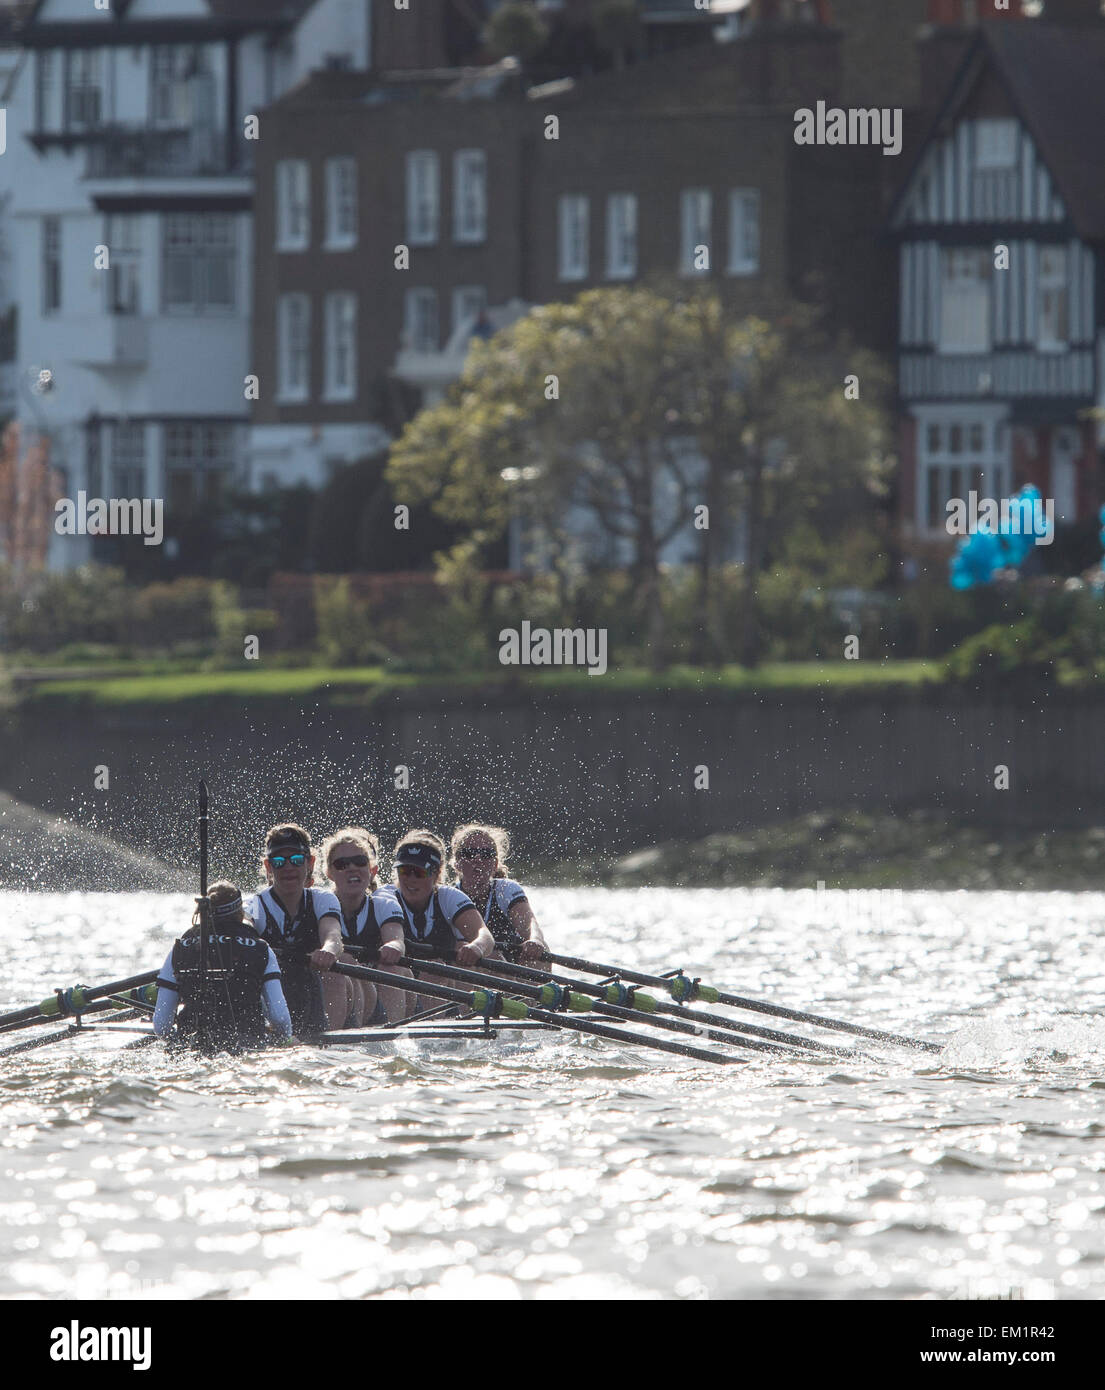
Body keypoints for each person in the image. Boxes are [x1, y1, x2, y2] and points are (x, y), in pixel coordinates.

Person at [153, 881, 293, 1050]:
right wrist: (284, 1040)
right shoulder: (261, 948)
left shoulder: (180, 947)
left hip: (190, 1048)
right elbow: (279, 1018)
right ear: (240, 912)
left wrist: (175, 1040)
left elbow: (161, 1026)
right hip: (248, 1049)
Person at [376, 830, 495, 1011]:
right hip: (399, 984)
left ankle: (448, 1030)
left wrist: (476, 947)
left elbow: (484, 936)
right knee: (421, 968)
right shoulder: (385, 897)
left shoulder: (448, 897)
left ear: (437, 873)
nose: (411, 879)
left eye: (420, 872)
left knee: (442, 967)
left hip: (442, 987)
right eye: (405, 871)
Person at [244, 823, 343, 1038]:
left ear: (310, 863)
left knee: (334, 974)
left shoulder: (322, 899)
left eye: (296, 860)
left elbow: (333, 935)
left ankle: (329, 1040)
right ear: (268, 867)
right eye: (279, 862)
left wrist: (328, 951)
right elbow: (245, 928)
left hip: (314, 993)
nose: (288, 867)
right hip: (274, 993)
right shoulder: (254, 905)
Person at [319, 827, 410, 1028]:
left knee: (394, 969)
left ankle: (390, 1039)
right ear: (329, 873)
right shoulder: (319, 903)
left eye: (360, 862)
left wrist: (394, 947)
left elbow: (395, 939)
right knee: (344, 961)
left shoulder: (383, 904)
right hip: (337, 990)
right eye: (342, 864)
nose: (352, 868)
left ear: (372, 870)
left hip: (377, 996)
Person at [450, 824, 547, 964]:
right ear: (457, 863)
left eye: (486, 854)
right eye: (469, 854)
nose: (478, 859)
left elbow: (530, 924)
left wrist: (535, 940)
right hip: (469, 969)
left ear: (495, 864)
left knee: (541, 951)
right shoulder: (449, 896)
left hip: (510, 967)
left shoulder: (506, 889)